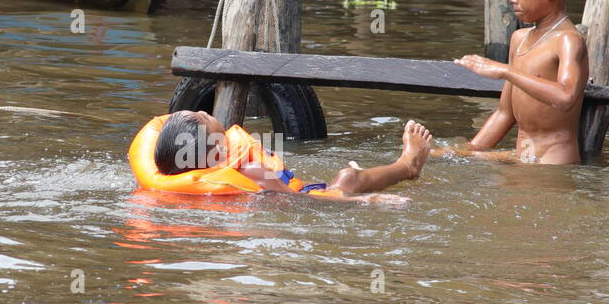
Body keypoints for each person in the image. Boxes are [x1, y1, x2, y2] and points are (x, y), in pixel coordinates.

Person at [447, 0, 590, 164]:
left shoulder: (569, 40)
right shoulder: (519, 39)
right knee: (438, 157)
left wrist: (505, 71)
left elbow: (565, 97)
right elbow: (505, 113)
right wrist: (468, 153)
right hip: (521, 157)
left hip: (552, 163)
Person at [131, 110, 432, 200]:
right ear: (218, 147)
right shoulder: (247, 167)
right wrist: (367, 201)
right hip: (310, 197)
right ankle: (408, 164)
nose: (202, 110)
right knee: (348, 177)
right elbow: (293, 198)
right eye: (201, 116)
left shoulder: (180, 174)